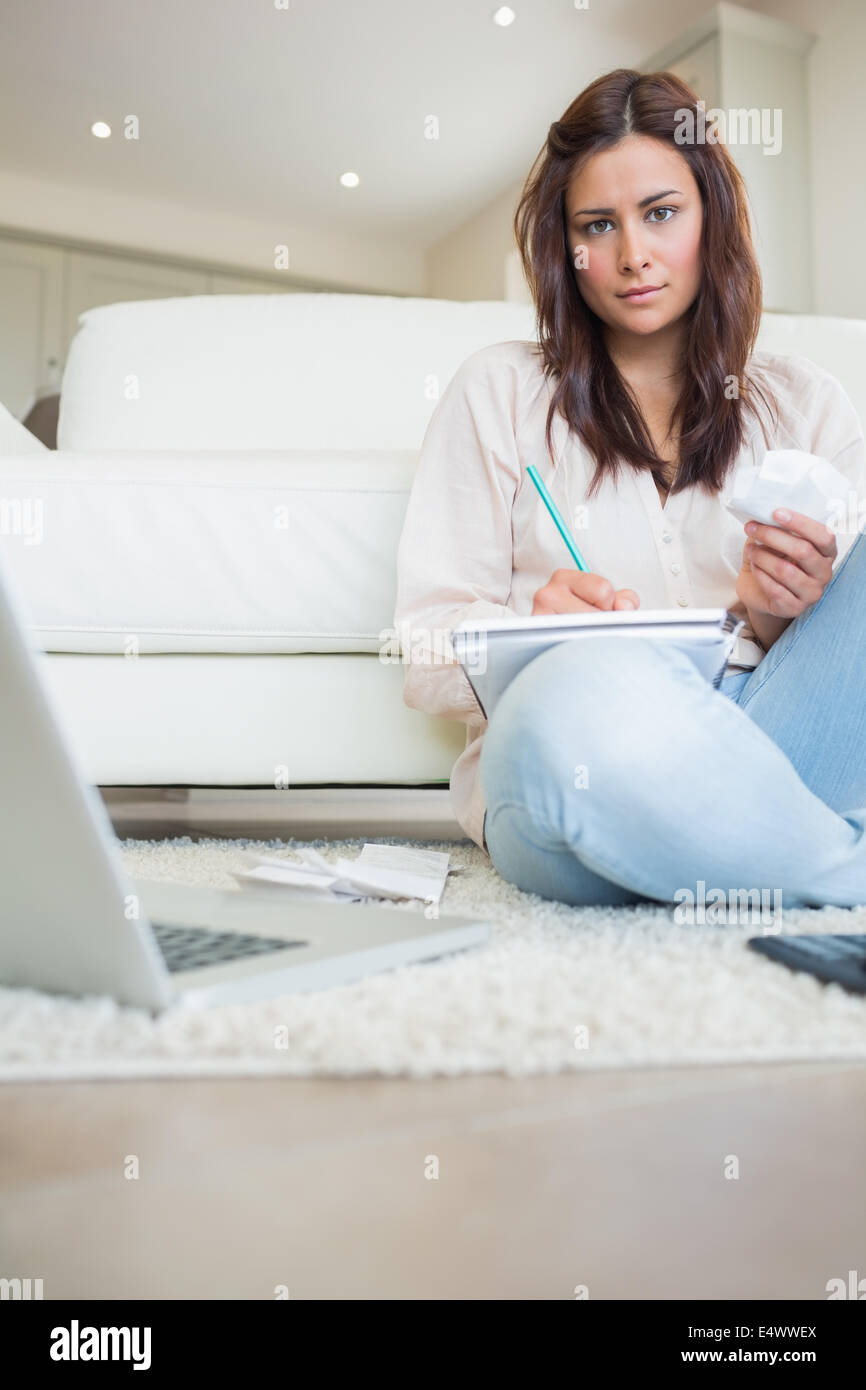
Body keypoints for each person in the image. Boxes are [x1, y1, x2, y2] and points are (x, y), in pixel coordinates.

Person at [393, 69, 866, 911]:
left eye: (660, 213)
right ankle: (831, 865)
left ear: (710, 216)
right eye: (597, 226)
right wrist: (529, 639)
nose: (633, 255)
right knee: (574, 693)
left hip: (777, 742)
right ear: (564, 247)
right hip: (586, 765)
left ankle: (766, 854)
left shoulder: (807, 402)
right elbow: (425, 650)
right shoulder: (496, 392)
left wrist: (772, 615)